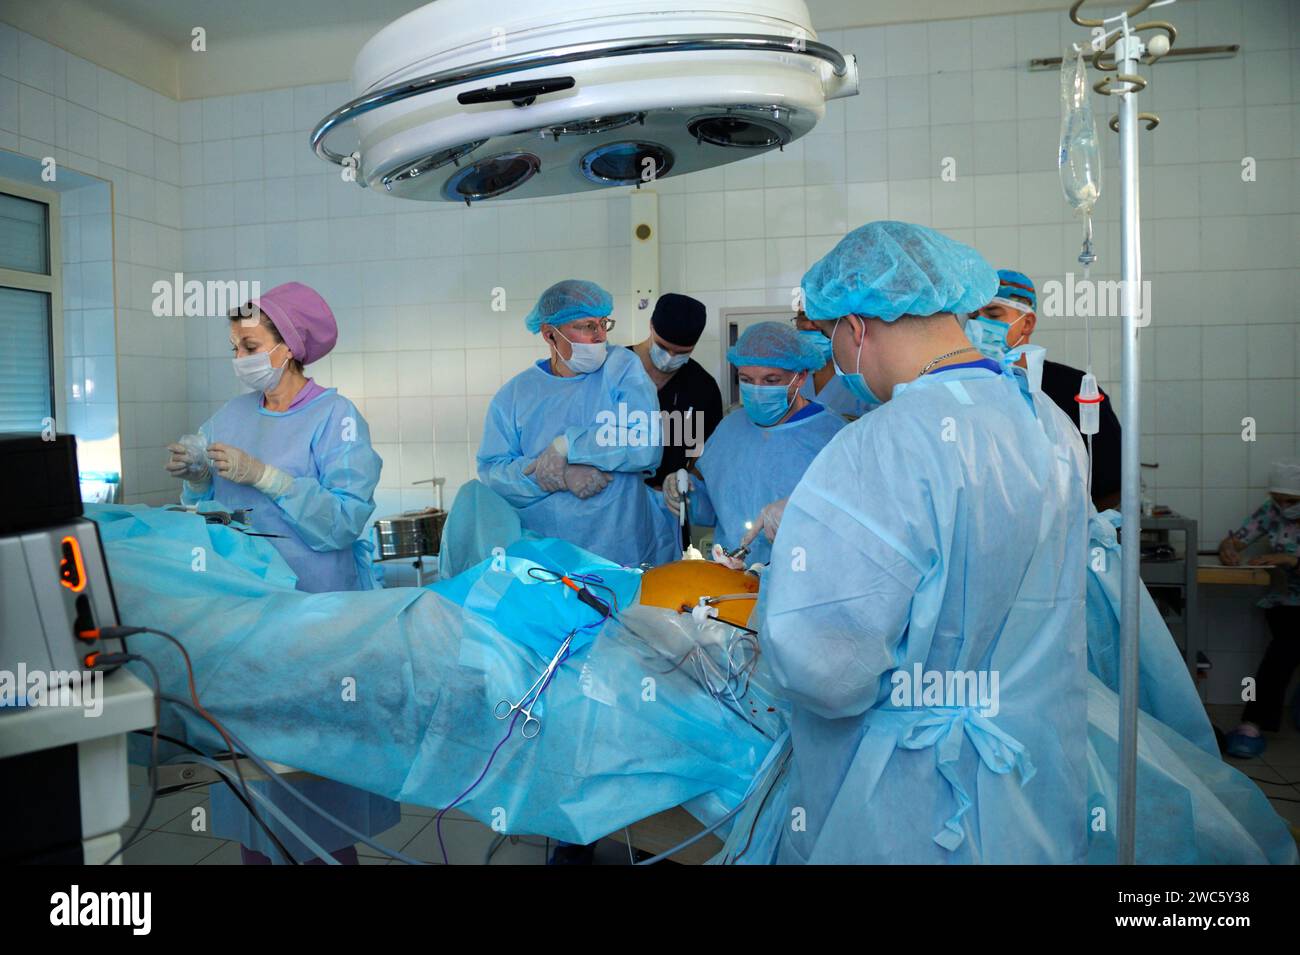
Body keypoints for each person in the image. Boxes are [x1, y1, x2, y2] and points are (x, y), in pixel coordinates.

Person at [759, 221, 1091, 863]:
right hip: (1031, 775)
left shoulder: (883, 443)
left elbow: (825, 671)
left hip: (909, 796)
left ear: (856, 328)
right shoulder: (1048, 421)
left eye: (831, 339)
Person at [163, 281, 398, 864]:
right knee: (256, 785)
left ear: (287, 345)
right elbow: (207, 511)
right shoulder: (230, 415)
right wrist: (194, 477)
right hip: (243, 619)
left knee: (318, 783)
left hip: (316, 619)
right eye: (234, 346)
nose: (239, 358)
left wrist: (269, 477)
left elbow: (344, 521)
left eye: (248, 344)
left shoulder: (335, 417)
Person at [477, 279, 678, 568]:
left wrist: (569, 445)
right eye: (586, 326)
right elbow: (492, 471)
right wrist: (558, 474)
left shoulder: (621, 368)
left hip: (621, 550)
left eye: (602, 323)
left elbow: (644, 443)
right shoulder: (515, 396)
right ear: (550, 335)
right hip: (545, 559)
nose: (599, 336)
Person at [661, 322, 844, 567]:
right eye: (746, 379)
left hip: (803, 577)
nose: (757, 391)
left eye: (770, 380)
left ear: (799, 377)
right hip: (730, 575)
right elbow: (716, 501)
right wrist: (685, 494)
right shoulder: (730, 428)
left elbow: (852, 517)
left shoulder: (832, 435)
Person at [965, 269, 1121, 509]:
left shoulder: (1072, 388)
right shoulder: (966, 389)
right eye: (973, 316)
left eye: (993, 314)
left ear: (1026, 323)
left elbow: (1112, 481)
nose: (978, 325)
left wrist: (1083, 528)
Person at [1219, 459, 1300, 758]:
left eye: (1291, 501)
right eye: (1279, 500)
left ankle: (1254, 722)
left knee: (1285, 650)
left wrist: (1289, 560)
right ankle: (1253, 724)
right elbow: (1238, 539)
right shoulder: (1272, 512)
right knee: (1284, 651)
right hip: (1285, 601)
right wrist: (1228, 548)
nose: (1284, 506)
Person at [627, 293, 723, 491]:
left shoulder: (702, 386)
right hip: (611, 501)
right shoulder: (614, 369)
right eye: (663, 347)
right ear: (651, 326)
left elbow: (707, 451)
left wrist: (686, 482)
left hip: (669, 504)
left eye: (682, 353)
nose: (670, 358)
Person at [792, 309, 874, 420]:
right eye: (803, 317)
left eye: (818, 317)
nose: (809, 325)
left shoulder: (867, 379)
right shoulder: (788, 375)